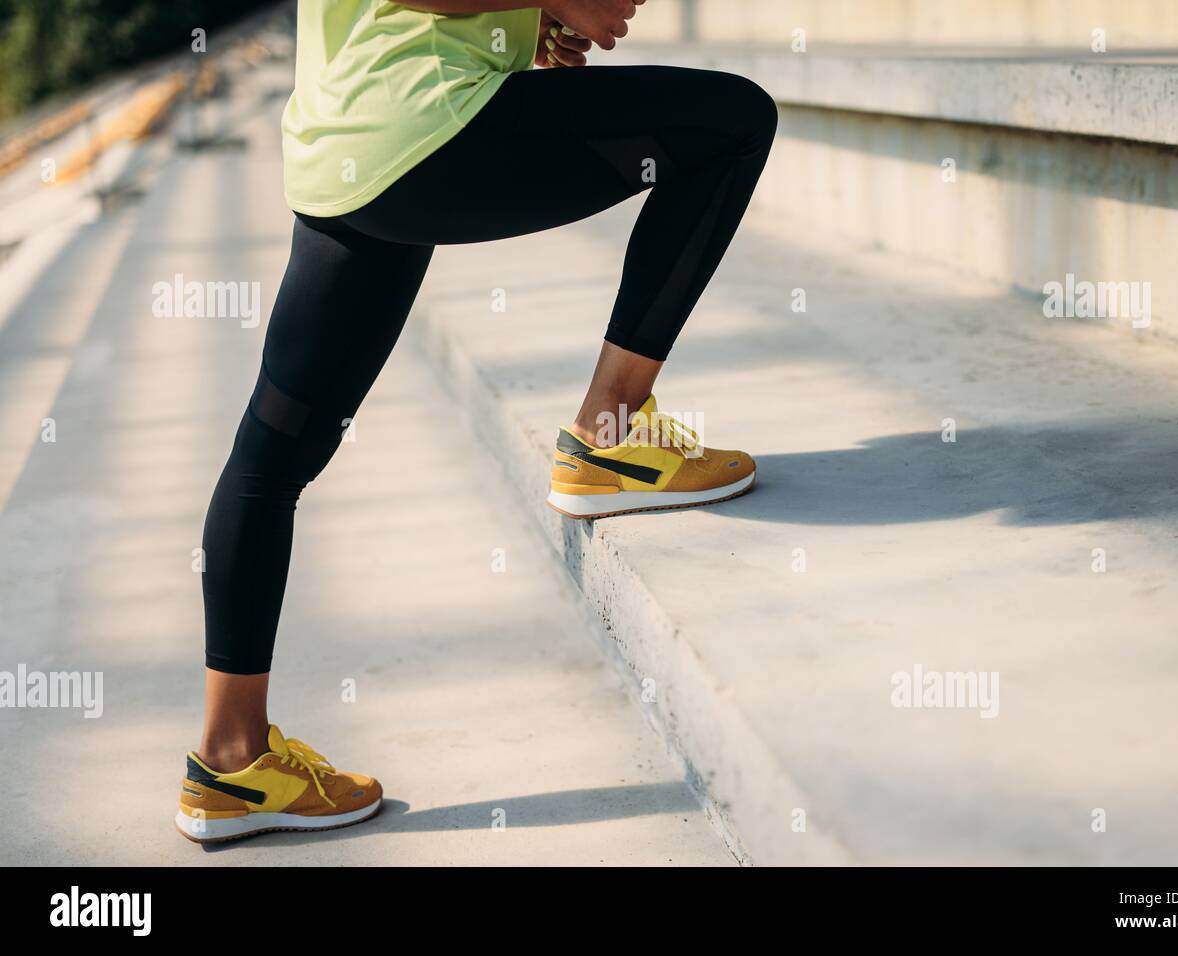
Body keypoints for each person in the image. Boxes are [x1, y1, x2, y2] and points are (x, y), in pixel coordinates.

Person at [176, 0, 778, 843]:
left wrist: (517, 24)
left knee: (270, 461)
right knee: (734, 119)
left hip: (347, 151)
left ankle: (229, 764)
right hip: (427, 132)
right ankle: (612, 434)